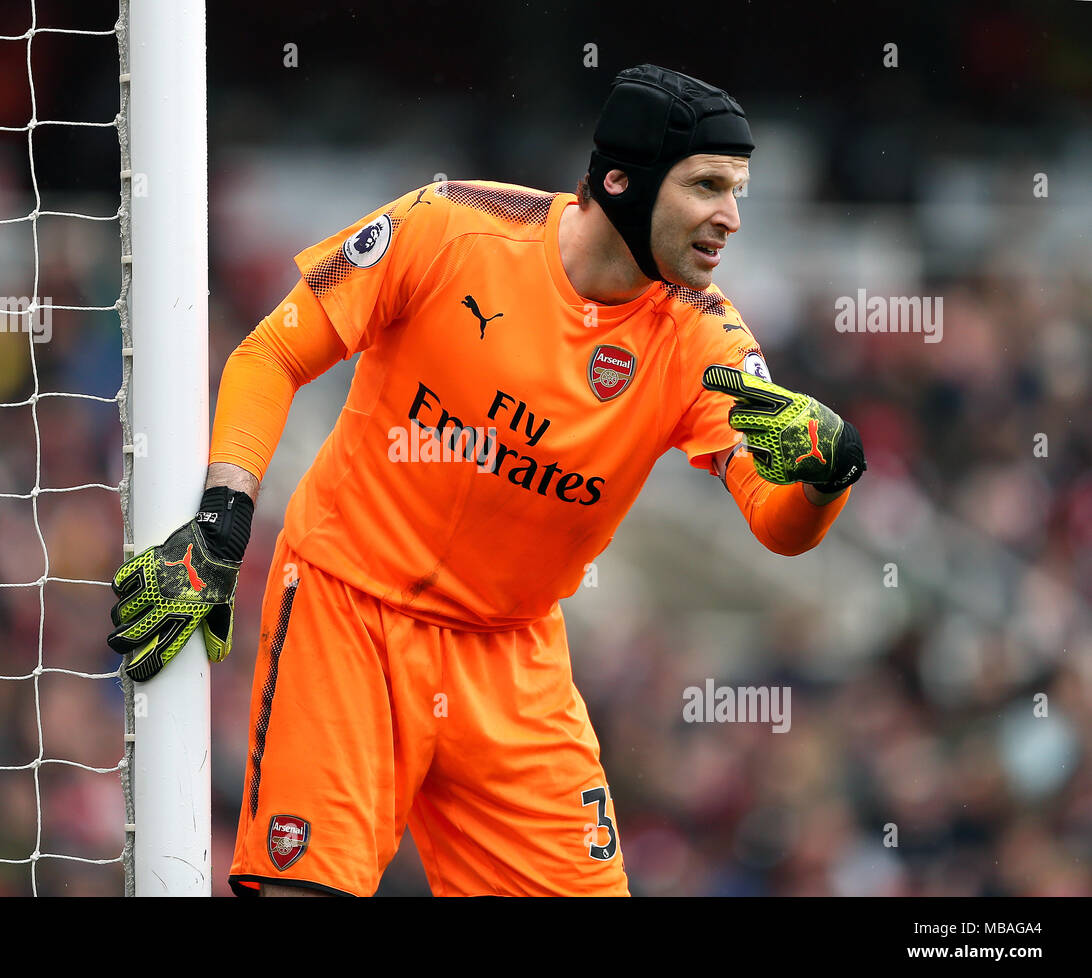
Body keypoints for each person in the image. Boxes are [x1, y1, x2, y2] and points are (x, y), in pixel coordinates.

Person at [106, 64, 867, 897]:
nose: (730, 216)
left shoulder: (706, 342)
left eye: (739, 190)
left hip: (512, 654)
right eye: (708, 185)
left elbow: (777, 524)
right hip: (349, 611)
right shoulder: (451, 226)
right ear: (621, 180)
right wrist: (222, 520)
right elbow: (272, 353)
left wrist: (828, 477)